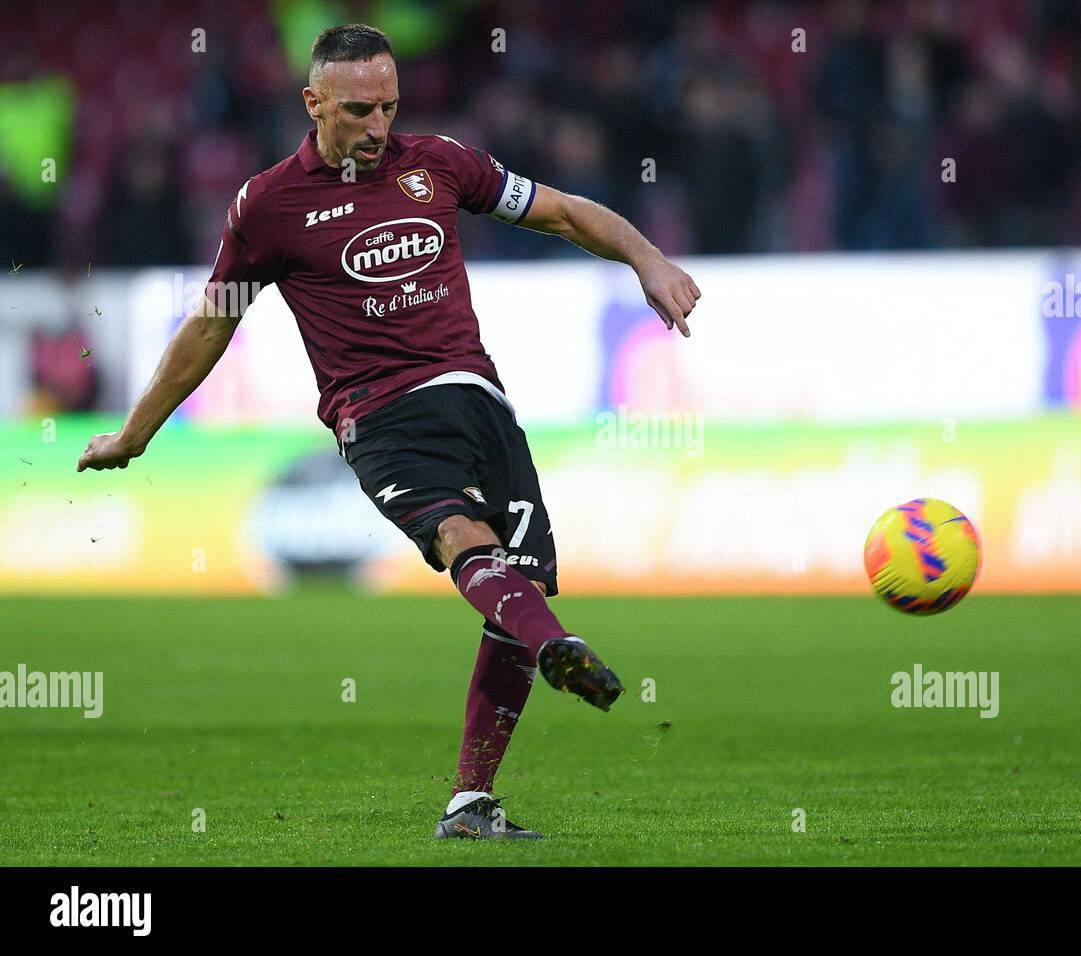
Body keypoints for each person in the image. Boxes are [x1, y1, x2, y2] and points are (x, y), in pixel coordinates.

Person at [77, 23, 701, 841]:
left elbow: (560, 213)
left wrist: (647, 258)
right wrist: (136, 432)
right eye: (358, 110)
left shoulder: (439, 162)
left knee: (515, 588)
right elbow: (211, 324)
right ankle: (557, 646)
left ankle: (471, 802)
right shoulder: (268, 206)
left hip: (477, 399)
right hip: (379, 414)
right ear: (313, 103)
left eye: (389, 107)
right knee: (459, 532)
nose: (377, 127)